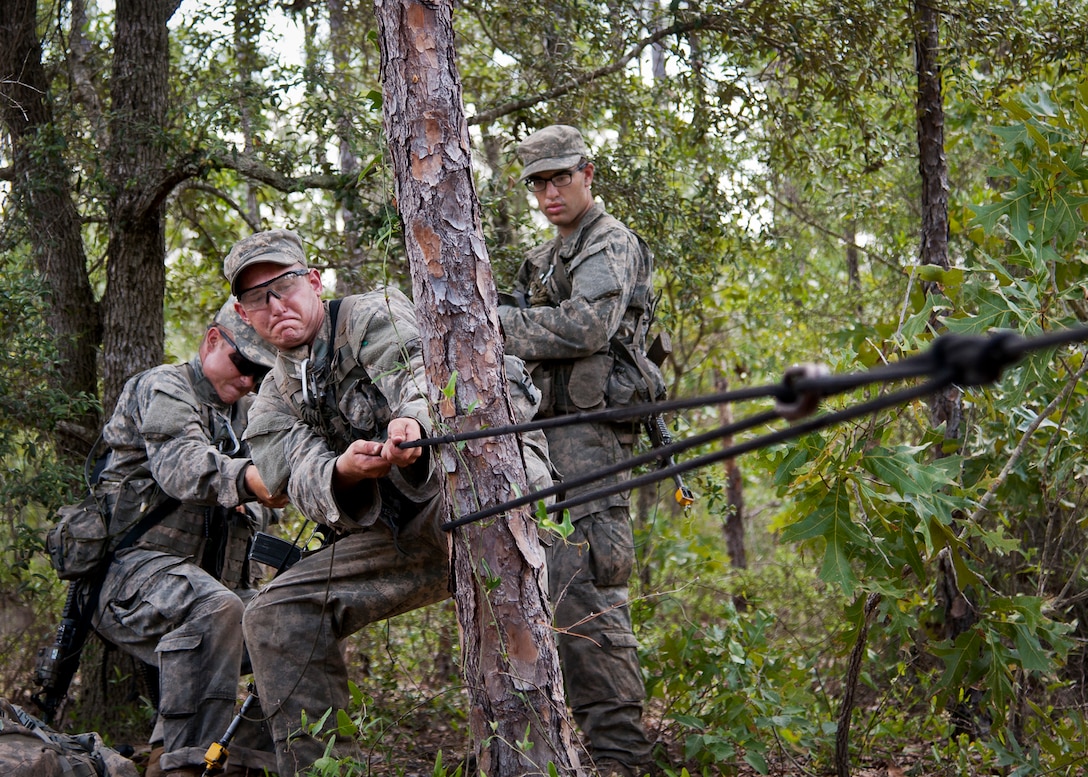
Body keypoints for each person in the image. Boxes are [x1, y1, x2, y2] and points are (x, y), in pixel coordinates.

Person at [223, 229, 453, 776]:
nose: (275, 305)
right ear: (243, 313)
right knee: (275, 614)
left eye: (284, 286)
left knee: (487, 533)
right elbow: (294, 476)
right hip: (391, 537)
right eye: (257, 298)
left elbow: (422, 374)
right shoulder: (271, 399)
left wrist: (413, 424)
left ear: (313, 282)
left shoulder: (371, 315)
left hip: (462, 504)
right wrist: (342, 472)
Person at [498, 124, 658, 776]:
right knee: (548, 588)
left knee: (590, 590)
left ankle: (622, 757)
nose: (550, 193)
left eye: (561, 177)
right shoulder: (542, 257)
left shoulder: (609, 241)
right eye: (538, 182)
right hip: (541, 434)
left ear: (587, 174)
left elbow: (588, 326)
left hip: (592, 440)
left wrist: (495, 325)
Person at [90, 301, 284, 777]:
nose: (249, 381)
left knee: (289, 616)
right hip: (129, 578)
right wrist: (248, 481)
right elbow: (182, 465)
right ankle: (185, 767)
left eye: (261, 374)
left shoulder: (250, 413)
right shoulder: (164, 386)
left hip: (205, 589)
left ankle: (248, 763)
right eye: (244, 364)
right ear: (213, 340)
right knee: (216, 609)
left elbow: (274, 494)